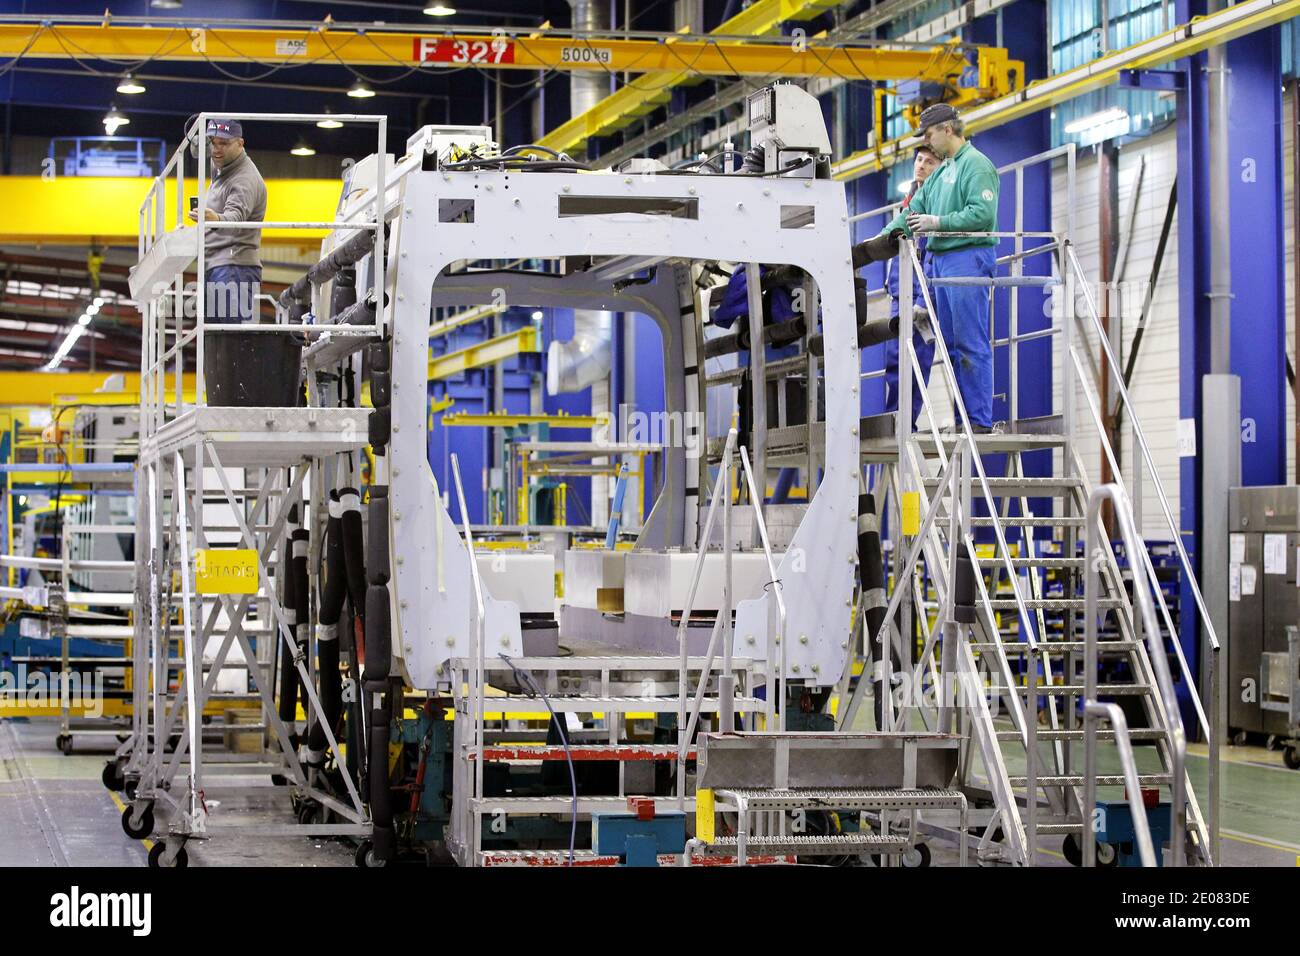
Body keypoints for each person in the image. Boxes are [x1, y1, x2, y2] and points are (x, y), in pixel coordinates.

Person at [859, 103, 1001, 433]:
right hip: (940, 264)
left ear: (948, 129)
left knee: (969, 343)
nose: (926, 141)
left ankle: (977, 420)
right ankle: (964, 418)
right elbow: (912, 213)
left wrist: (939, 222)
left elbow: (982, 214)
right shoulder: (940, 173)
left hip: (966, 258)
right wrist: (877, 242)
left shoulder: (976, 166)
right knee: (952, 346)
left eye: (929, 133)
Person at [187, 118, 267, 324]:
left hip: (234, 267)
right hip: (220, 265)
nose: (216, 149)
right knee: (215, 342)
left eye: (224, 143)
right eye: (213, 142)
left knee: (232, 342)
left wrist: (215, 219)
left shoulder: (244, 180)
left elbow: (235, 219)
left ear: (240, 144)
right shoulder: (222, 166)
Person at [881, 144, 940, 427]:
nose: (921, 166)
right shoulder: (910, 201)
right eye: (919, 160)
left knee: (916, 360)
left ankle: (906, 422)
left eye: (929, 162)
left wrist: (924, 296)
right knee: (895, 360)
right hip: (899, 292)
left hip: (919, 293)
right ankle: (895, 418)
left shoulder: (935, 204)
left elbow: (931, 252)